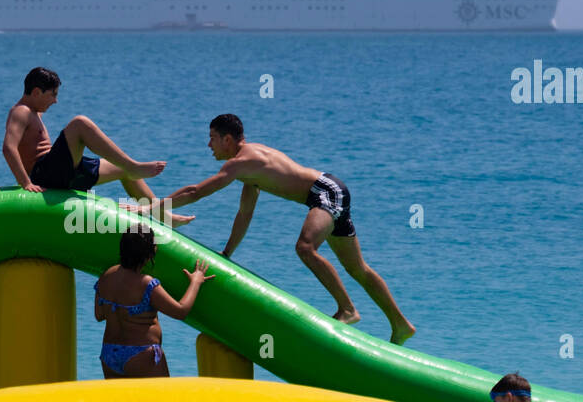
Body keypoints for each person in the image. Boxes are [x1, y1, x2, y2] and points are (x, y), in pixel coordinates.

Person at [146, 113, 416, 345]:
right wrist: (227, 253)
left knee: (305, 248)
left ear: (227, 139)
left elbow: (196, 191)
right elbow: (245, 214)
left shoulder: (239, 163)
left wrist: (152, 208)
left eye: (212, 138)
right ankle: (401, 325)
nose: (209, 145)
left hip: (324, 192)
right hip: (331, 191)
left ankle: (347, 310)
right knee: (358, 269)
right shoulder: (249, 166)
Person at [2, 67, 191, 225]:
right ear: (36, 92)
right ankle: (133, 165)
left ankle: (162, 215)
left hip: (63, 173)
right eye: (53, 95)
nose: (55, 101)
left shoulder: (34, 112)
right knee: (79, 123)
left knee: (121, 169)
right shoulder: (21, 112)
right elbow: (8, 148)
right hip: (45, 174)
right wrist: (26, 183)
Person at [93, 227, 212, 378]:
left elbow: (99, 315)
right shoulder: (146, 284)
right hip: (141, 354)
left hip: (109, 354)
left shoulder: (106, 277)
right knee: (160, 401)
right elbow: (181, 311)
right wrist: (196, 281)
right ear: (150, 254)